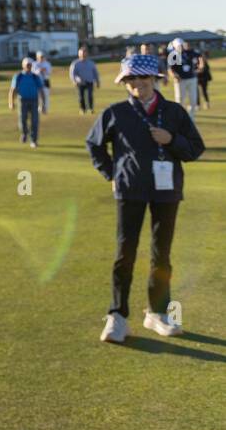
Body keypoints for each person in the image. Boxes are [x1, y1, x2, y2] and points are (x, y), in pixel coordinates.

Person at [87, 54, 204, 343]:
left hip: (167, 191)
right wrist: (111, 173)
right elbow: (94, 144)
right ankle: (117, 315)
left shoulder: (174, 112)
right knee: (124, 252)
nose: (138, 83)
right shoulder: (116, 112)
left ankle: (157, 313)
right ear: (125, 82)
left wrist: (171, 140)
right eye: (131, 79)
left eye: (144, 78)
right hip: (130, 190)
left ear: (155, 79)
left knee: (160, 253)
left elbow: (195, 148)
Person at [9, 57, 43, 148]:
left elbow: (41, 90)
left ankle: (34, 140)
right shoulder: (18, 76)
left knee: (34, 121)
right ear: (23, 66)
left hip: (34, 100)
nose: (28, 66)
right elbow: (13, 90)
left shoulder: (35, 76)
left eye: (30, 65)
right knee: (22, 120)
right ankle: (24, 133)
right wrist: (11, 102)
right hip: (22, 100)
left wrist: (43, 103)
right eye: (27, 65)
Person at [166, 37, 201, 118]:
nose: (180, 47)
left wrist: (201, 65)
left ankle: (191, 118)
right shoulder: (173, 55)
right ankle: (179, 118)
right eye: (178, 46)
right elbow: (170, 69)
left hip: (192, 78)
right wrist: (174, 75)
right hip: (180, 80)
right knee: (180, 100)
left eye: (181, 45)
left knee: (193, 100)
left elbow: (200, 57)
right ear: (175, 46)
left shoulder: (190, 52)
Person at [68, 46, 100, 115]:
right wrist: (74, 81)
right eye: (81, 53)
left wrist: (97, 82)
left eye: (84, 53)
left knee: (90, 96)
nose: (83, 55)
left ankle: (91, 109)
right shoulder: (75, 63)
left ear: (86, 54)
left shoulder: (91, 63)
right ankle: (82, 109)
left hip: (90, 82)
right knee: (81, 97)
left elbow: (95, 73)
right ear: (79, 54)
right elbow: (72, 74)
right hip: (80, 83)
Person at [31, 50, 53, 114]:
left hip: (45, 81)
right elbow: (33, 72)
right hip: (36, 82)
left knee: (46, 96)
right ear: (37, 57)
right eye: (40, 57)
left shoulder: (47, 64)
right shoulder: (34, 64)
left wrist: (44, 71)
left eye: (43, 56)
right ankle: (38, 109)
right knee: (37, 96)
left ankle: (45, 109)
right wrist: (39, 70)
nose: (42, 58)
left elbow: (49, 72)